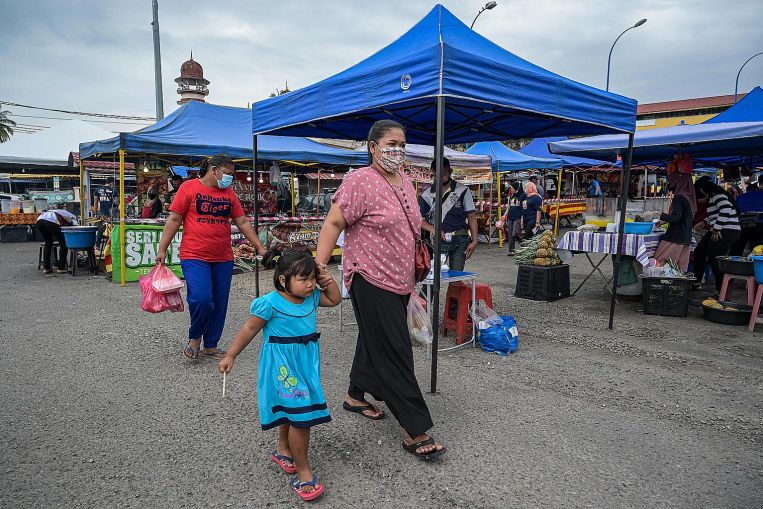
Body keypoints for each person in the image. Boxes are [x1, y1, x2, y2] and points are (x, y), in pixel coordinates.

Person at [315, 119, 446, 460]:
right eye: (391, 143)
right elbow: (333, 222)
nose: (397, 150)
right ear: (373, 147)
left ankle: (355, 395)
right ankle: (415, 427)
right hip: (370, 277)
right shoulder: (359, 181)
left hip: (401, 278)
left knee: (374, 337)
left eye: (402, 144)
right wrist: (320, 266)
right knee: (395, 348)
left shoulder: (405, 179)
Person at [218, 250, 340, 501]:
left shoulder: (312, 298)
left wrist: (328, 280)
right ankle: (304, 471)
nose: (310, 284)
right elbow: (249, 328)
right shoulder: (270, 303)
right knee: (301, 416)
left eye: (312, 278)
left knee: (292, 409)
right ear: (284, 280)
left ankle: (284, 449)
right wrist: (231, 354)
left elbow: (335, 300)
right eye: (303, 279)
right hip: (283, 369)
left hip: (305, 365)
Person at [156, 154, 267, 360]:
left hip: (223, 256)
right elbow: (174, 218)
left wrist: (259, 246)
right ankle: (195, 336)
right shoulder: (188, 188)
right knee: (201, 299)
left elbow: (241, 221)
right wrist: (162, 249)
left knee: (219, 300)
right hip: (194, 255)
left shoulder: (229, 193)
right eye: (228, 174)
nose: (230, 179)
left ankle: (211, 344)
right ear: (214, 169)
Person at [419, 157, 478, 271]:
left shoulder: (463, 190)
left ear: (450, 171)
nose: (440, 179)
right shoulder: (427, 195)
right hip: (438, 240)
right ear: (432, 172)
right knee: (432, 277)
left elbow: (471, 216)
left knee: (456, 278)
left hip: (460, 238)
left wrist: (475, 240)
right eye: (437, 175)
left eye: (444, 175)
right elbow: (419, 219)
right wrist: (432, 228)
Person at [691, 177, 741, 291]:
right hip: (720, 229)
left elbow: (725, 210)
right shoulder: (715, 196)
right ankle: (696, 282)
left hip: (727, 230)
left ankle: (722, 290)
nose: (698, 200)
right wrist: (704, 222)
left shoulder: (717, 195)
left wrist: (717, 229)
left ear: (702, 191)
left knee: (715, 259)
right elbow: (717, 213)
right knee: (699, 252)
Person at [653, 173, 697, 272]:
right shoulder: (688, 197)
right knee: (680, 268)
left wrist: (660, 214)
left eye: (670, 182)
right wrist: (665, 220)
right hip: (686, 237)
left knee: (659, 263)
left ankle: (660, 286)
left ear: (677, 183)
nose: (669, 185)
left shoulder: (678, 198)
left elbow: (676, 218)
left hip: (675, 237)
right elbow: (682, 217)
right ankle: (678, 286)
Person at [36, 208, 78, 275]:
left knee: (48, 242)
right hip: (51, 222)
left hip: (39, 221)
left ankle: (46, 268)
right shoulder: (72, 216)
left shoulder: (59, 212)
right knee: (64, 243)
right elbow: (75, 226)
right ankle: (61, 268)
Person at [730, 174, 763, 255]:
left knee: (736, 251)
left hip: (740, 226)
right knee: (758, 252)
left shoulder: (742, 197)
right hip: (759, 227)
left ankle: (732, 266)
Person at [495, 182, 524, 255]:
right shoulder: (511, 196)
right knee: (510, 234)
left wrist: (522, 218)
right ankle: (512, 250)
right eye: (510, 188)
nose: (511, 190)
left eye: (512, 188)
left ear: (516, 188)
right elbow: (509, 206)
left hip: (518, 216)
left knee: (515, 233)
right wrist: (504, 215)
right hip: (510, 216)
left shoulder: (523, 195)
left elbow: (523, 207)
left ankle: (524, 245)